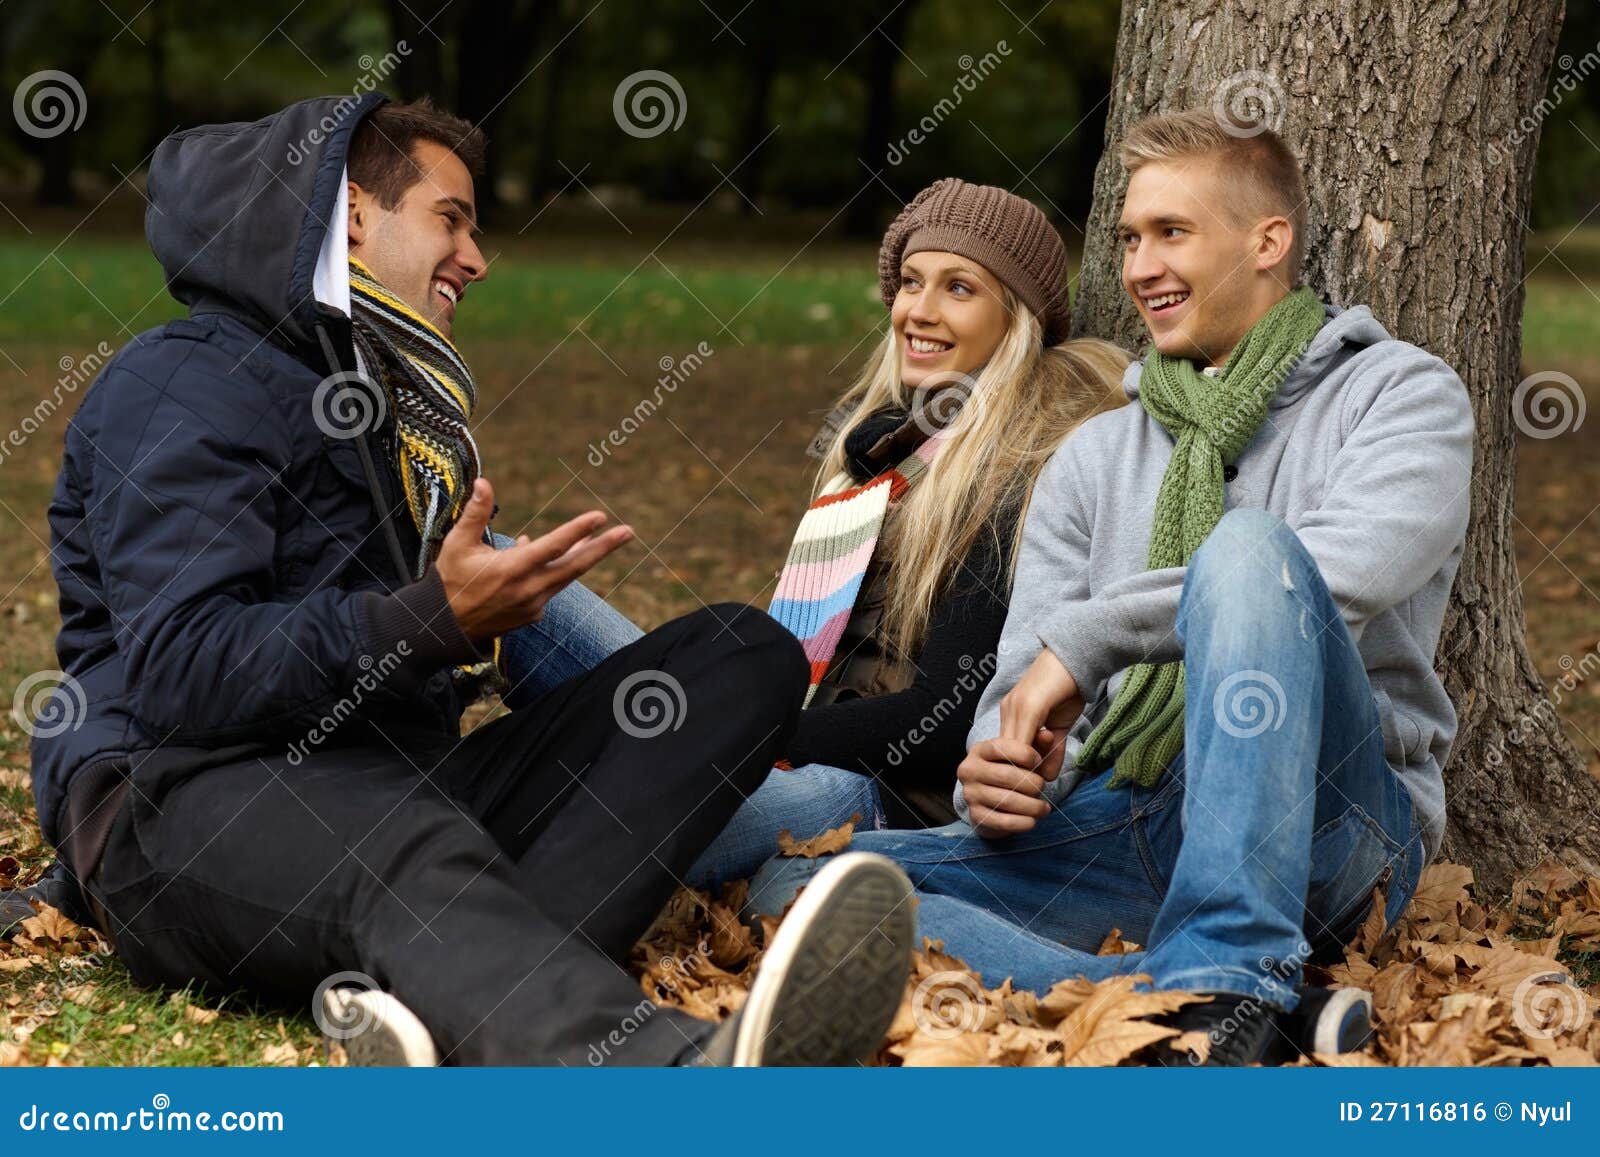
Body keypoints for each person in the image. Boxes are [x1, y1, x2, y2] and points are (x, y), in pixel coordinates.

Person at [30, 92, 915, 1067]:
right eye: (450, 219)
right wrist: (426, 619)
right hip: (180, 805)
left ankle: (448, 995)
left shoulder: (395, 412)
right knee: (405, 841)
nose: (477, 259)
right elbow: (181, 671)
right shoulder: (189, 378)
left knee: (741, 657)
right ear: (354, 211)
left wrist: (452, 618)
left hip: (391, 795)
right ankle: (659, 1072)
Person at [748, 109, 1475, 1066]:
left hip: (1333, 815)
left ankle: (1230, 977)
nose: (1138, 268)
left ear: (1269, 241)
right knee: (797, 887)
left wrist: (1086, 643)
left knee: (1251, 551)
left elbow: (1325, 578)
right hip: (1120, 814)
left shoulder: (1400, 394)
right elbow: (1015, 704)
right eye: (1130, 239)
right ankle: (1216, 1014)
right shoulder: (1094, 455)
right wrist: (999, 771)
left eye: (1172, 233)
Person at [498, 178, 1128, 887]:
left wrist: (746, 728)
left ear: (1015, 319)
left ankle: (480, 877)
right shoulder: (889, 447)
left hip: (871, 794)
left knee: (601, 808)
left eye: (959, 288)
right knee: (516, 584)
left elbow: (944, 722)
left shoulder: (1022, 471)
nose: (918, 310)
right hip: (782, 731)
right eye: (912, 282)